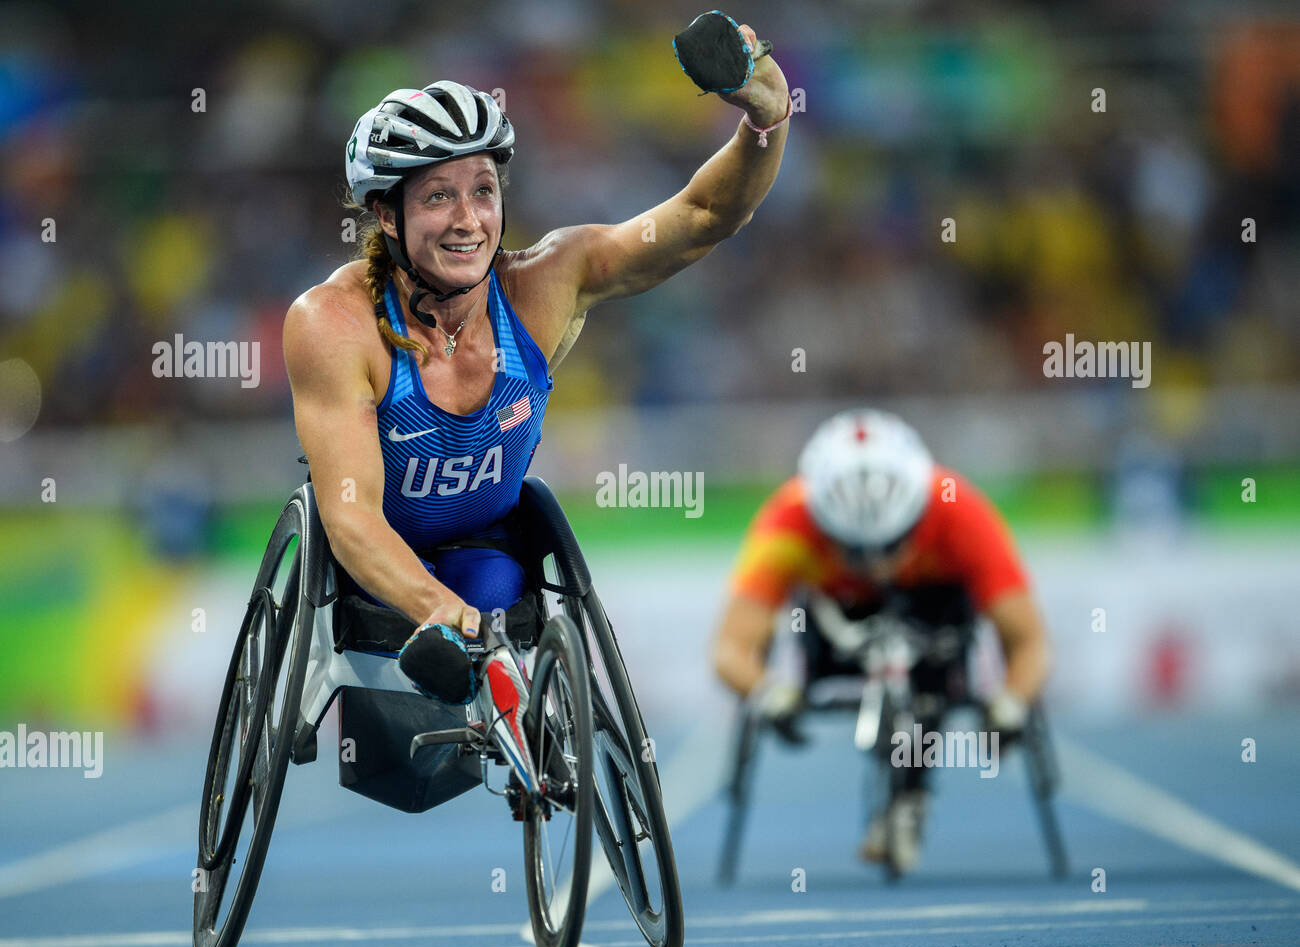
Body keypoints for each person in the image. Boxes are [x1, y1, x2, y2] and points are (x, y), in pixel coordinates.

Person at [283, 23, 790, 712]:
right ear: (387, 215)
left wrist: (766, 118)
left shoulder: (545, 285)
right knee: (460, 624)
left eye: (483, 191)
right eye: (438, 196)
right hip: (375, 568)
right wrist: (441, 611)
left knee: (495, 601)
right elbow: (351, 518)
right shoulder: (332, 324)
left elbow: (702, 214)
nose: (469, 220)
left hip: (485, 553)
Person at [711, 408, 1052, 872]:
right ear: (823, 521)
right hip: (835, 631)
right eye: (854, 550)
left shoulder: (961, 511)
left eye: (892, 545)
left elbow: (1028, 637)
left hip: (935, 628)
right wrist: (768, 694)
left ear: (917, 512)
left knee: (949, 624)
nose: (876, 567)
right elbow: (729, 648)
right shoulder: (787, 521)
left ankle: (912, 790)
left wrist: (1012, 703)